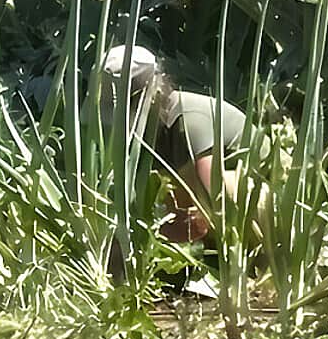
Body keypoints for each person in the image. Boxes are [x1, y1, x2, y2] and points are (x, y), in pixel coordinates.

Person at [102, 45, 269, 245]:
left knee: (225, 191)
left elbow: (213, 202)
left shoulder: (187, 122)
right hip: (214, 199)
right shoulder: (151, 131)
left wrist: (154, 237)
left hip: (266, 195)